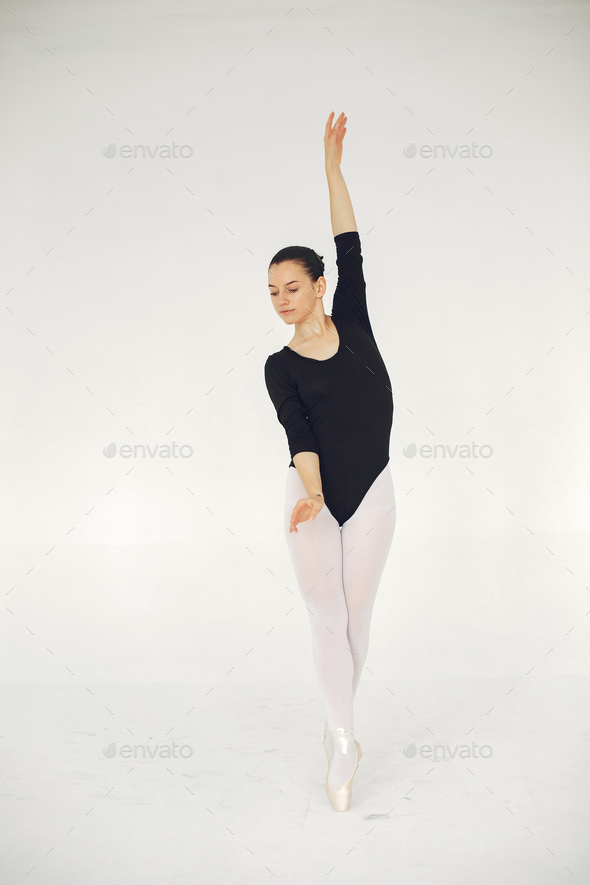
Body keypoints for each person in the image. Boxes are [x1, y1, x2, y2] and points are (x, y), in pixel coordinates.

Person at [263, 112, 396, 812]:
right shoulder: (277, 366)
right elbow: (299, 433)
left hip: (372, 487)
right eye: (272, 292)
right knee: (323, 615)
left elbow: (351, 246)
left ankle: (335, 717)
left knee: (355, 615)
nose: (282, 300)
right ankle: (343, 735)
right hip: (310, 494)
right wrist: (311, 492)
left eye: (292, 285)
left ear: (318, 284)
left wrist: (332, 169)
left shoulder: (355, 315)